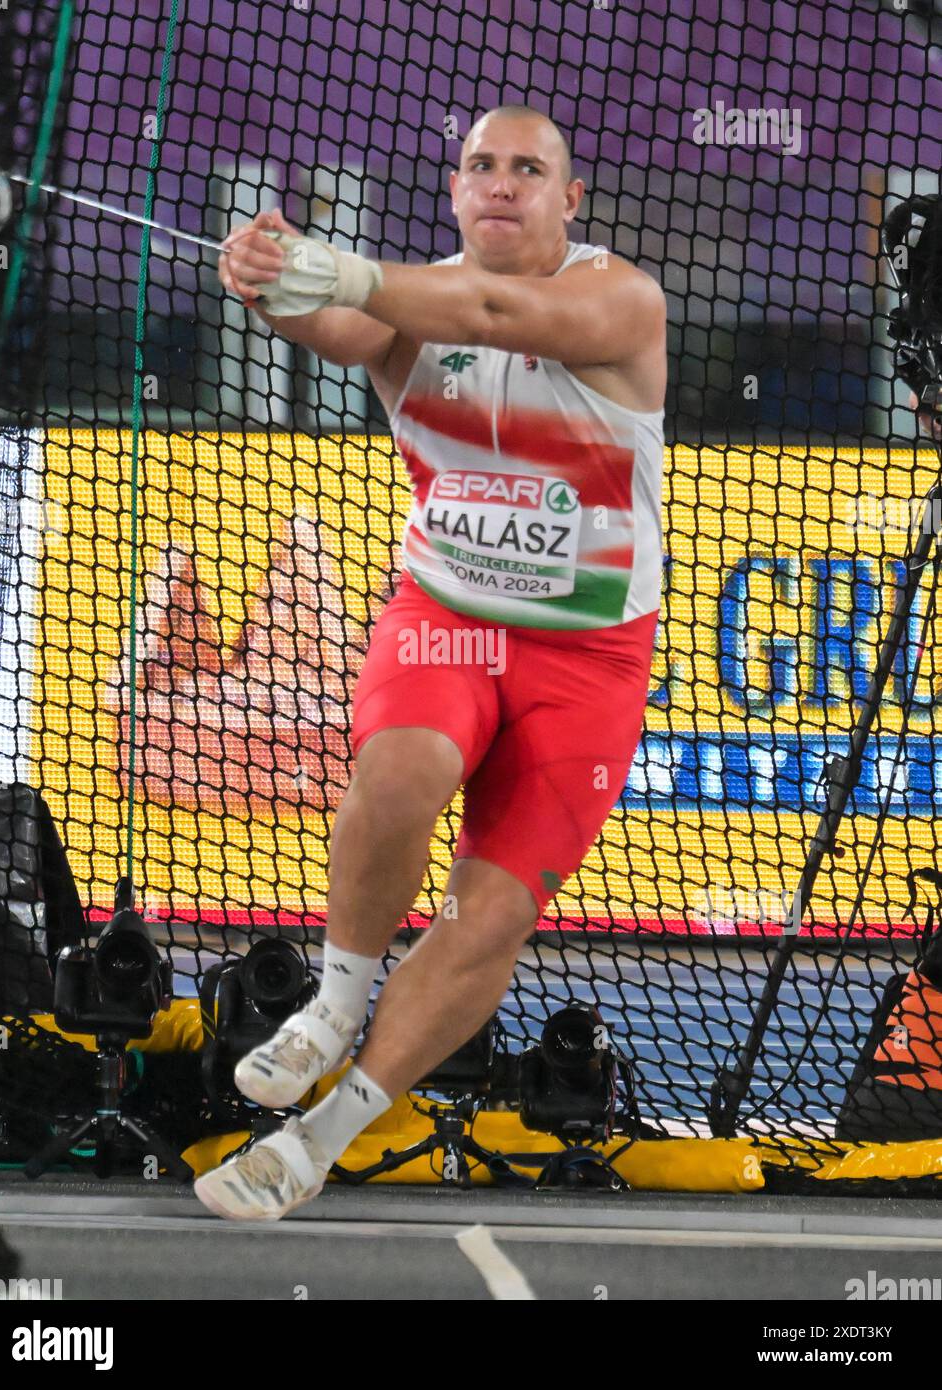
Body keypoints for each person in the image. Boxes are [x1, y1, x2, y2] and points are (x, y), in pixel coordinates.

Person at [195, 105, 667, 1220]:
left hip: (588, 658)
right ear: (454, 192)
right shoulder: (405, 309)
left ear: (568, 198)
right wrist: (263, 275)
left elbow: (495, 310)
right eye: (479, 167)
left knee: (486, 920)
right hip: (446, 616)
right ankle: (327, 1005)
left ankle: (319, 1138)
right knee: (400, 773)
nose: (500, 185)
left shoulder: (619, 299)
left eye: (527, 169)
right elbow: (338, 324)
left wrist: (340, 272)